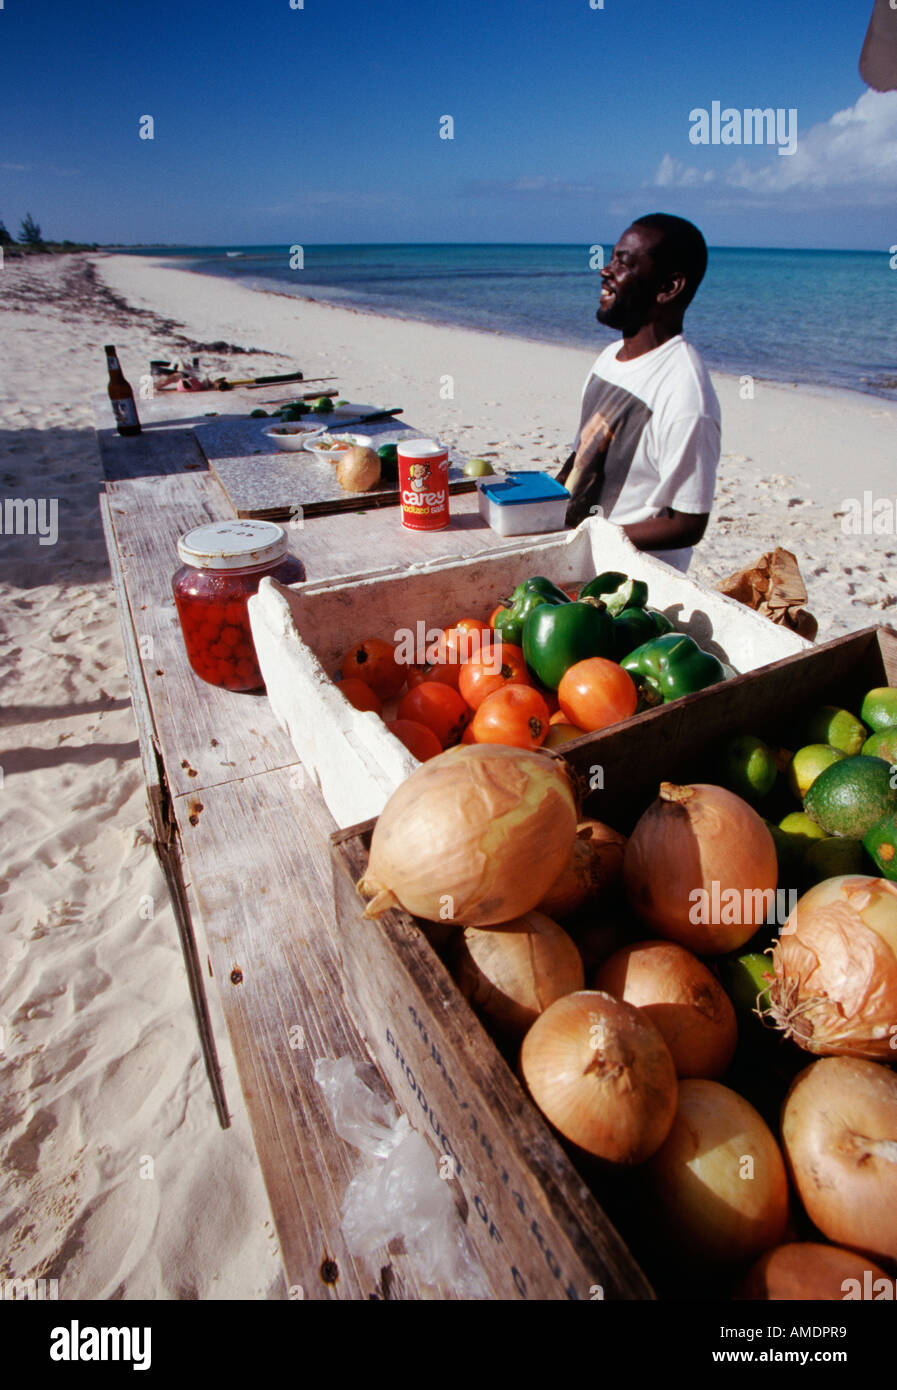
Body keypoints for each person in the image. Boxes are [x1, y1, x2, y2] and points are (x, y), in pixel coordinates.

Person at [558, 213, 720, 573]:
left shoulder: (685, 392)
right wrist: (543, 506)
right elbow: (582, 456)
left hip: (630, 580)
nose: (606, 270)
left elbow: (688, 523)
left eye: (624, 263)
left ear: (669, 288)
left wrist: (596, 535)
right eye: (612, 258)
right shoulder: (608, 359)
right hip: (574, 555)